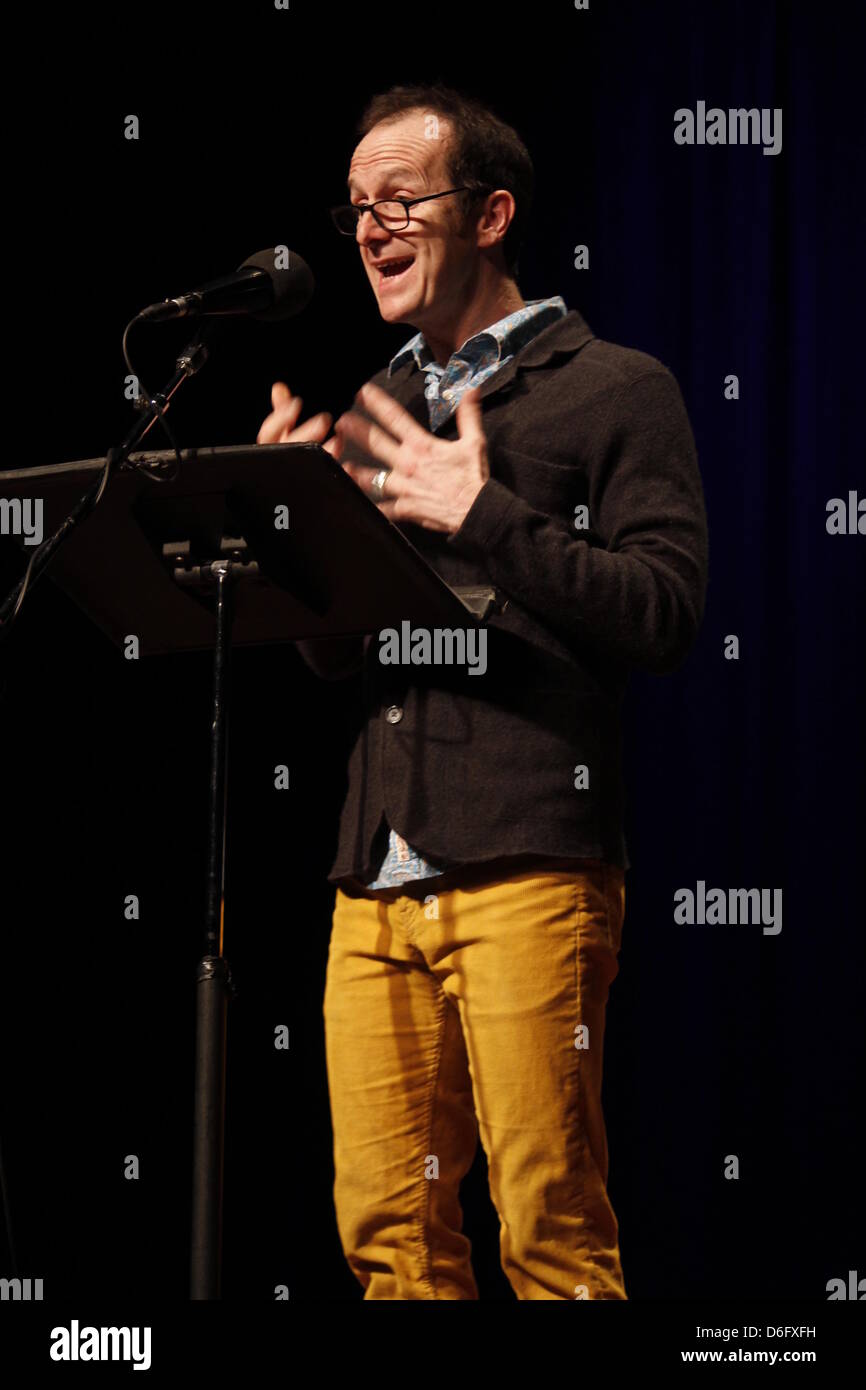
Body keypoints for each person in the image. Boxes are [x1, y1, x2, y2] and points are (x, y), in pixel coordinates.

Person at [257, 83, 708, 1300]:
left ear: (493, 212)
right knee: (389, 1248)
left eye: (400, 198)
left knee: (549, 1236)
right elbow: (336, 657)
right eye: (356, 206)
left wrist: (486, 516)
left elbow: (663, 610)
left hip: (528, 860)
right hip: (375, 876)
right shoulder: (381, 408)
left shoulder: (612, 386)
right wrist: (305, 541)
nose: (369, 227)